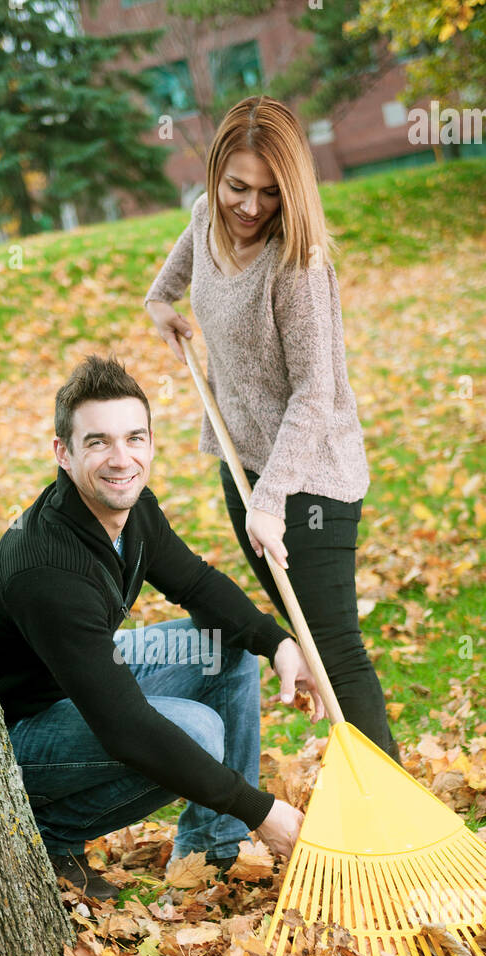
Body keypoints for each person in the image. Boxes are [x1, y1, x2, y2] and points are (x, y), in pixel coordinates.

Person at [0, 354, 325, 901]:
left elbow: (197, 586)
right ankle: (49, 836)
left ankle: (213, 849)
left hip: (71, 684)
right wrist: (260, 809)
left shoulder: (132, 511)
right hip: (3, 738)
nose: (121, 459)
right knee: (195, 732)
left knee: (220, 646)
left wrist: (277, 644)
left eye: (135, 438)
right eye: (98, 442)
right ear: (62, 453)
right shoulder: (46, 569)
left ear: (152, 442)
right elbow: (126, 729)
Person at [144, 94, 401, 765]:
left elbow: (316, 392)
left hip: (310, 478)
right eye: (237, 187)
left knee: (334, 648)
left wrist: (272, 498)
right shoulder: (205, 219)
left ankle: (394, 819)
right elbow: (164, 288)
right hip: (242, 465)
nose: (251, 207)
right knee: (309, 640)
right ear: (214, 175)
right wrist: (160, 312)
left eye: (269, 193)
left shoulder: (297, 264)